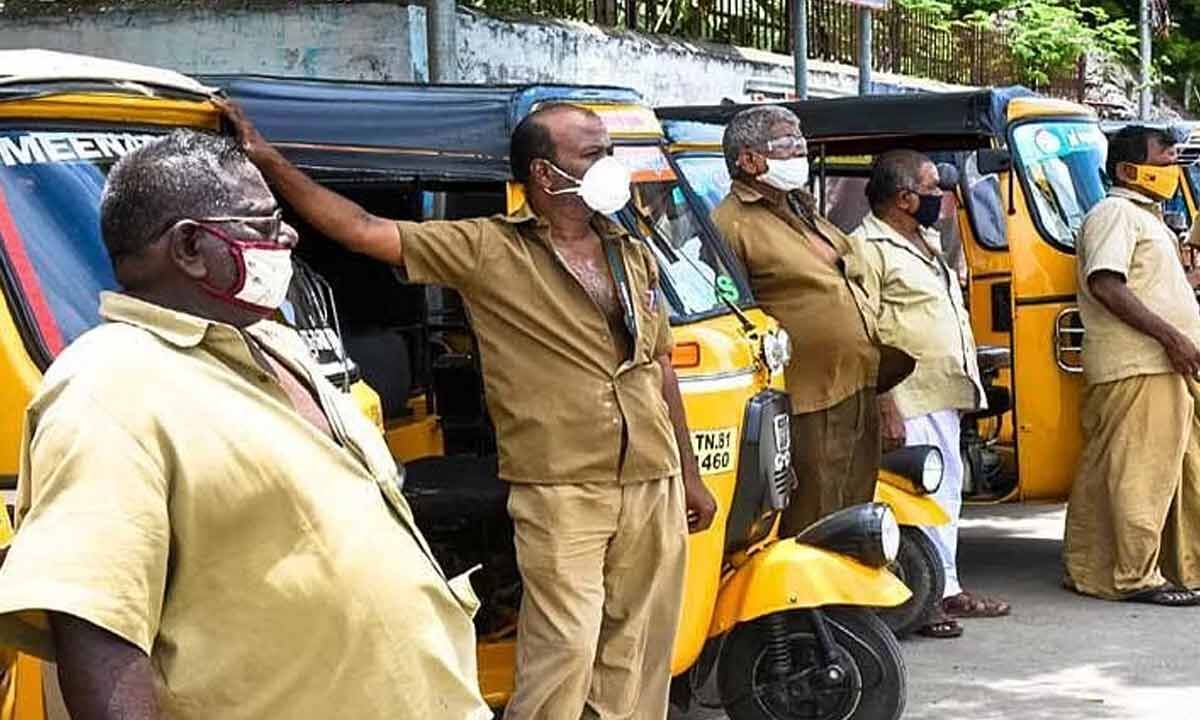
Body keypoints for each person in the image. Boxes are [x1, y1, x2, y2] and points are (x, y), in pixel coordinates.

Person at [220, 99, 717, 720]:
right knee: (564, 648)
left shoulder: (630, 250)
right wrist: (269, 162)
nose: (607, 165)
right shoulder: (487, 249)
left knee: (638, 647)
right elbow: (360, 228)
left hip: (653, 477)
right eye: (592, 154)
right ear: (543, 173)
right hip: (561, 486)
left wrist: (689, 476)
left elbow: (659, 364)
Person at [0, 130, 493, 719]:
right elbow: (96, 626)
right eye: (260, 224)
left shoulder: (276, 343)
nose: (287, 236)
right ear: (188, 247)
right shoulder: (110, 386)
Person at [710, 105, 899, 535]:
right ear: (748, 159)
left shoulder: (800, 207)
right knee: (814, 510)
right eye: (786, 143)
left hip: (856, 381)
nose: (800, 151)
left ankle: (847, 600)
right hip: (806, 394)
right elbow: (734, 314)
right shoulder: (730, 223)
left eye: (800, 141)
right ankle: (810, 603)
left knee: (855, 503)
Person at [851, 150, 1011, 639]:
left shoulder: (924, 240)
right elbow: (866, 332)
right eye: (932, 187)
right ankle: (919, 599)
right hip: (907, 394)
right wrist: (886, 404)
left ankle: (946, 587)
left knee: (944, 495)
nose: (941, 196)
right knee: (913, 502)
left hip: (939, 393)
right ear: (904, 198)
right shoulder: (867, 247)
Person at [1063, 125, 1200, 606]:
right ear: (1127, 169)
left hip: (1163, 365)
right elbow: (1107, 283)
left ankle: (1159, 567)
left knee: (1173, 471)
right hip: (1139, 363)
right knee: (1136, 475)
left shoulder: (1147, 218)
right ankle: (1132, 576)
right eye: (1163, 162)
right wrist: (1173, 337)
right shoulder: (1114, 213)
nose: (1170, 171)